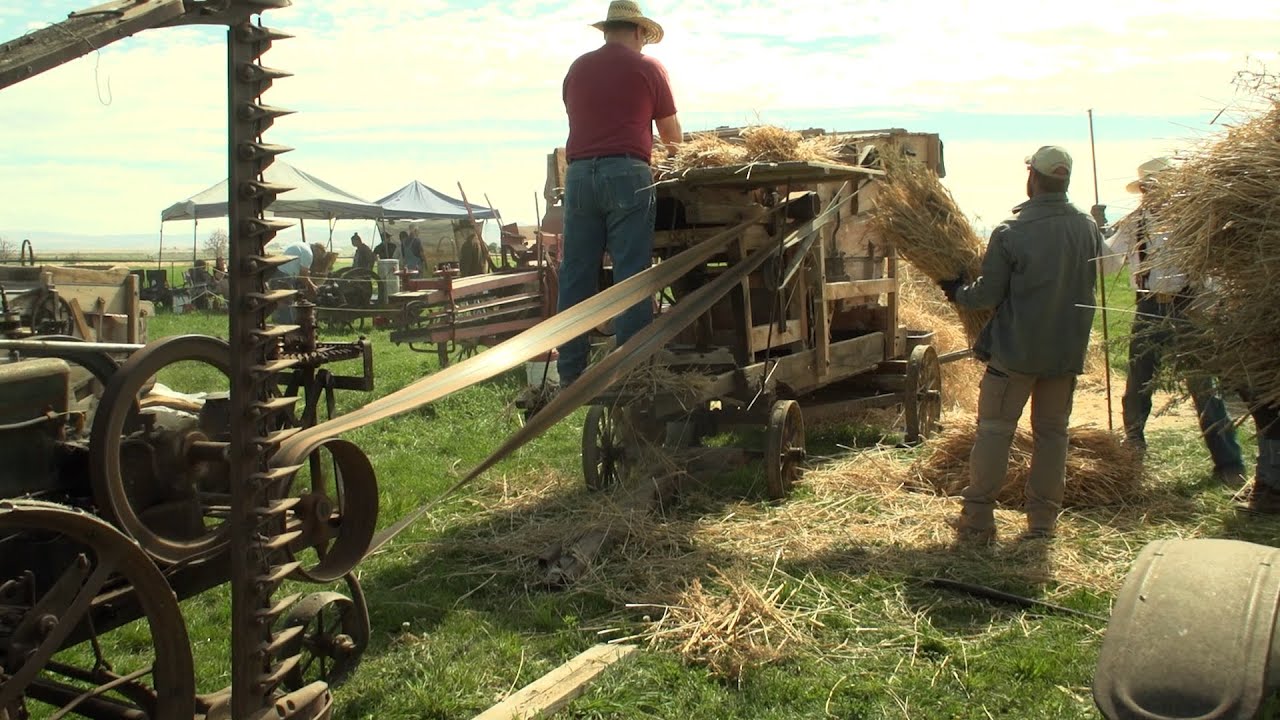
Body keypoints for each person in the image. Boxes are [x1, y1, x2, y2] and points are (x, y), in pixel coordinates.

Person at [938, 146, 1105, 542]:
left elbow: (987, 295)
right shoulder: (1088, 228)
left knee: (995, 431)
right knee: (1052, 435)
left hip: (1015, 352)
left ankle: (977, 521)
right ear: (1065, 179)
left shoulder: (1012, 232)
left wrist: (957, 291)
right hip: (1064, 353)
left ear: (1032, 176)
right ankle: (1042, 524)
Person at [1095, 158, 1245, 486]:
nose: (1153, 192)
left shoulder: (1191, 221)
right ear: (1144, 190)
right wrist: (1096, 231)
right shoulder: (1133, 223)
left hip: (1187, 308)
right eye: (1149, 187)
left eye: (1159, 185)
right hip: (1148, 308)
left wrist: (1206, 305)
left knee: (1204, 387)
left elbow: (1211, 270)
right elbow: (1107, 265)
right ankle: (1133, 452)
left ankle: (1228, 463)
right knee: (1138, 383)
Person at [555, 0, 682, 387]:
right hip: (627, 173)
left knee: (576, 274)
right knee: (631, 274)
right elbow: (673, 138)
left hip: (577, 176)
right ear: (640, 31)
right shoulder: (648, 68)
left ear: (607, 30)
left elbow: (583, 118)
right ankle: (632, 372)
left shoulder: (577, 69)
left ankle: (570, 373)